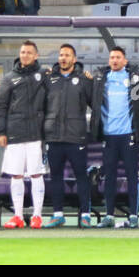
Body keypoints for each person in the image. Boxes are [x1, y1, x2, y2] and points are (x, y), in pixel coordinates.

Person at [0, 40, 48, 229]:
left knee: (36, 174)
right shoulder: (10, 78)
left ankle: (37, 215)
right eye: (22, 52)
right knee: (16, 175)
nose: (24, 55)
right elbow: (1, 105)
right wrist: (1, 131)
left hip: (36, 133)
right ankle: (17, 216)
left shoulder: (43, 75)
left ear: (36, 55)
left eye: (28, 52)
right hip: (15, 133)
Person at [92, 46, 139, 227]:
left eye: (118, 57)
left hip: (128, 135)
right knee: (110, 177)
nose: (114, 60)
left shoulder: (135, 78)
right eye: (112, 57)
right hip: (109, 135)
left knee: (132, 176)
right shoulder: (101, 79)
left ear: (125, 60)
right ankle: (109, 215)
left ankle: (133, 216)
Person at [42, 44, 94, 228]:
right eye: (61, 55)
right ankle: (58, 214)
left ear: (74, 58)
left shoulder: (83, 79)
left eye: (67, 55)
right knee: (55, 176)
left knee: (82, 176)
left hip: (75, 136)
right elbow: (41, 106)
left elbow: (95, 103)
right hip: (53, 137)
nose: (63, 58)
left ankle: (85, 214)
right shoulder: (48, 79)